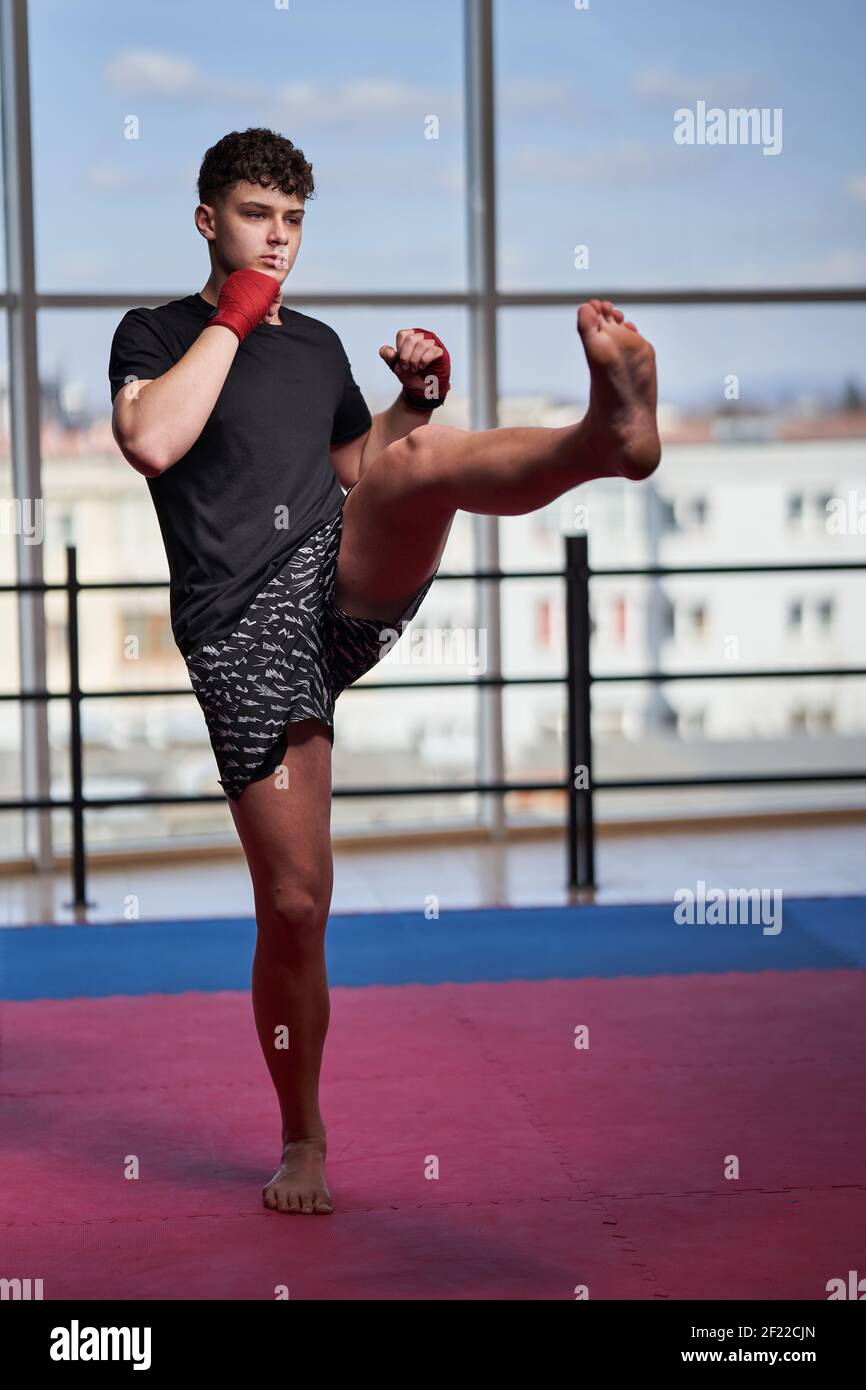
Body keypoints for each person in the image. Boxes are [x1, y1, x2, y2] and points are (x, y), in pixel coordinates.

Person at [108, 127, 661, 1217]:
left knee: (419, 463)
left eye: (294, 221)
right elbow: (154, 443)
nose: (279, 239)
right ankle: (301, 1135)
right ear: (207, 218)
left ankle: (605, 437)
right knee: (298, 902)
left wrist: (411, 399)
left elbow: (354, 475)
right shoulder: (156, 333)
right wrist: (237, 315)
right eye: (260, 215)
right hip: (238, 626)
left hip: (335, 574)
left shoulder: (315, 349)